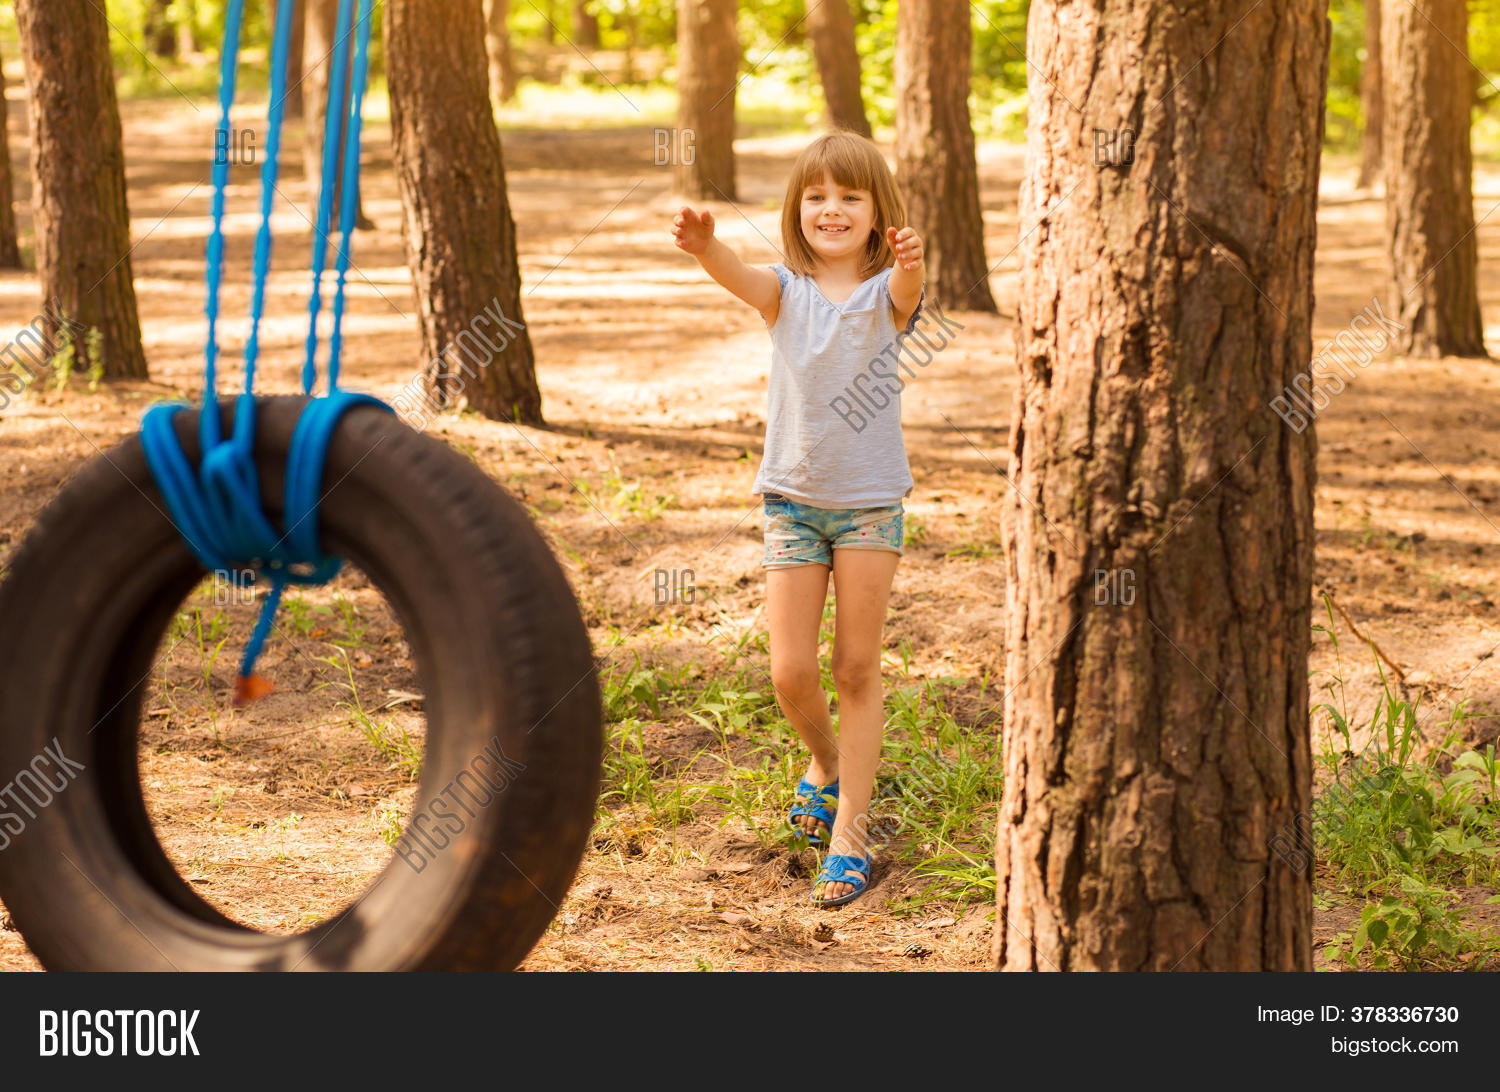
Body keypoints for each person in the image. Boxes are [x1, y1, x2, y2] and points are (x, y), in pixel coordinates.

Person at [670, 131, 925, 907]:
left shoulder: (887, 293)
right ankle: (826, 759)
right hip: (791, 501)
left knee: (854, 667)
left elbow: (910, 299)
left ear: (879, 213)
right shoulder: (785, 290)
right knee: (790, 673)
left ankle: (850, 833)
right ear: (797, 209)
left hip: (869, 504)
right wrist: (705, 246)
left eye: (850, 196)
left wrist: (911, 265)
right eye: (817, 196)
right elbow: (736, 275)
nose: (832, 209)